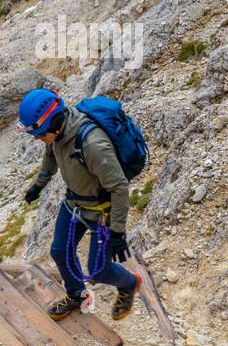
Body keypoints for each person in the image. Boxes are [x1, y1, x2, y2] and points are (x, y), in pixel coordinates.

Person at [17, 88, 141, 321]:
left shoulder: (93, 144)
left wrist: (117, 232)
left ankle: (130, 283)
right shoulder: (56, 132)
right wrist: (38, 185)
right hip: (74, 202)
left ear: (54, 123)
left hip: (101, 212)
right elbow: (51, 158)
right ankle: (77, 294)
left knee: (100, 269)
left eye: (39, 133)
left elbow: (119, 188)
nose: (37, 138)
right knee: (59, 250)